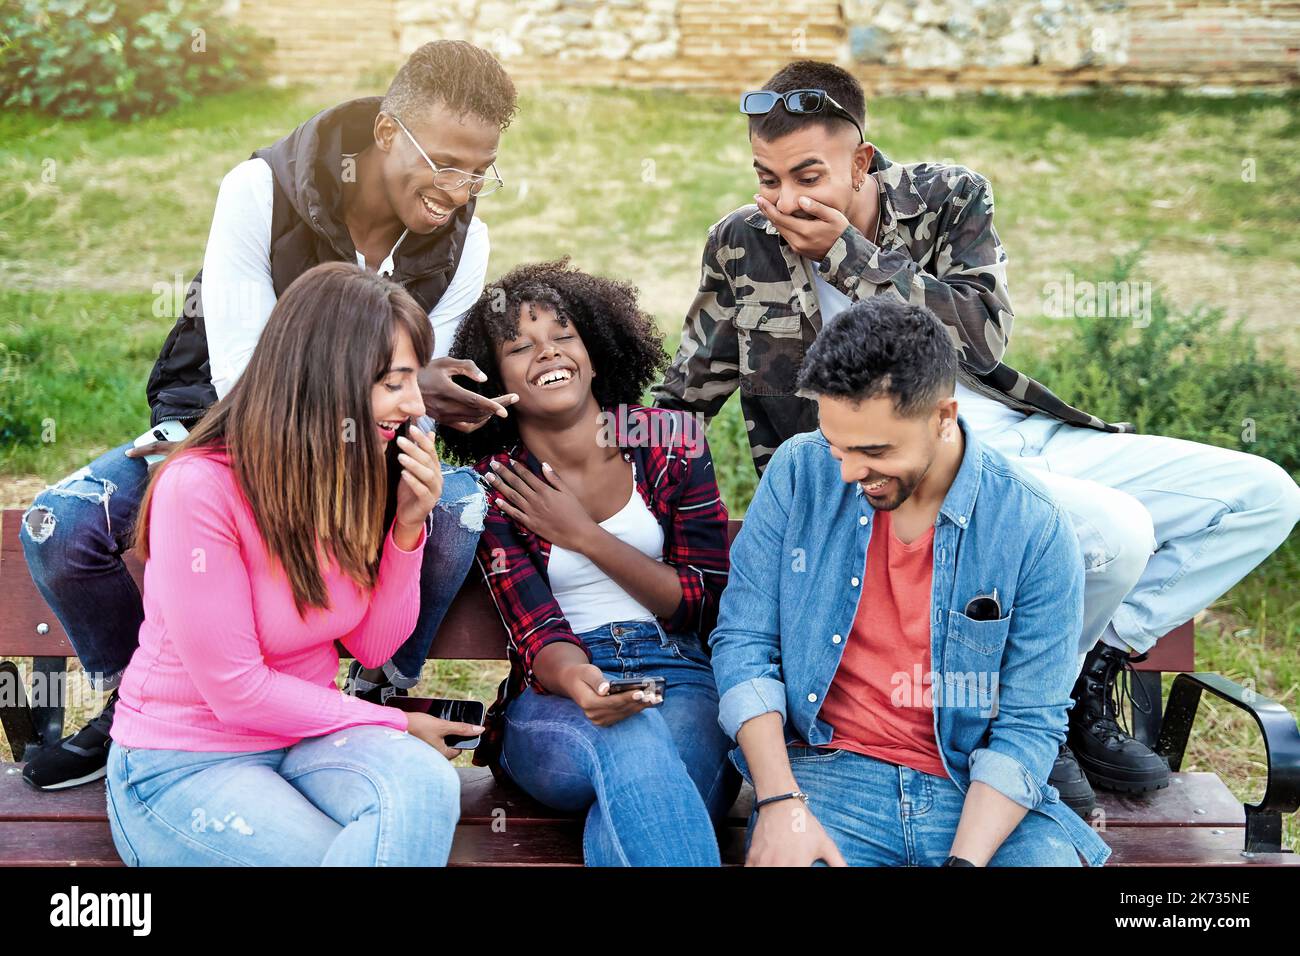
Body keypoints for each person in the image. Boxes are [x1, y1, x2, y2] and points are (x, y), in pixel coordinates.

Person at [654, 58, 1300, 812]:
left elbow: (983, 338)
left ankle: (1079, 671)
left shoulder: (948, 196)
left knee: (1263, 495)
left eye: (807, 175)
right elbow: (687, 394)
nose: (783, 200)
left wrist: (848, 257)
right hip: (894, 473)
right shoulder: (741, 243)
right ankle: (1039, 723)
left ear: (861, 161)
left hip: (1013, 434)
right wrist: (583, 442)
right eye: (767, 178)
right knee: (1116, 533)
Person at [21, 40, 519, 790]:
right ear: (388, 132)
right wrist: (385, 383)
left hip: (362, 454)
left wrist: (443, 399)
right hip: (225, 437)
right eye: (447, 163)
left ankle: (371, 696)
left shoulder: (464, 242)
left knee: (455, 509)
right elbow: (240, 373)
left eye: (481, 170)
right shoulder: (262, 190)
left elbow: (408, 385)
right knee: (61, 527)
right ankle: (141, 700)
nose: (461, 189)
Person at [105, 262, 484, 866]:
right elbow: (236, 691)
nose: (415, 403)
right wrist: (395, 723)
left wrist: (408, 527)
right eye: (394, 382)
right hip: (183, 762)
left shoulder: (353, 466)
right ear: (325, 382)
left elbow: (373, 646)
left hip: (307, 742)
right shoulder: (199, 488)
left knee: (425, 788)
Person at [710, 296, 1110, 867]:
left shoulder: (1032, 526)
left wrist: (963, 864)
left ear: (943, 417)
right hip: (824, 780)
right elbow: (745, 644)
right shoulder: (800, 472)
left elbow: (1029, 723)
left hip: (973, 789)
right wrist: (778, 801)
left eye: (874, 450)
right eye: (836, 444)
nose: (848, 471)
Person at [439, 260, 737, 866]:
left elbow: (703, 600)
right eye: (519, 346)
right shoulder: (497, 486)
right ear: (497, 379)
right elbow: (537, 631)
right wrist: (588, 685)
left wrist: (584, 536)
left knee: (639, 788)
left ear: (596, 353)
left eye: (563, 336)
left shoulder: (670, 439)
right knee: (629, 734)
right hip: (556, 697)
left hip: (681, 677)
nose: (547, 354)